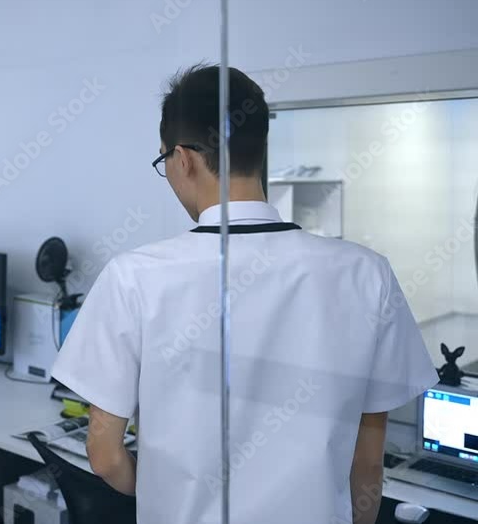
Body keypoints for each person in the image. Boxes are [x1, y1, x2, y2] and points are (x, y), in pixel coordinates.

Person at [51, 64, 437, 524]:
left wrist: (164, 496)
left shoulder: (134, 278)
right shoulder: (368, 275)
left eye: (163, 162)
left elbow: (104, 454)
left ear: (184, 158)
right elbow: (368, 463)